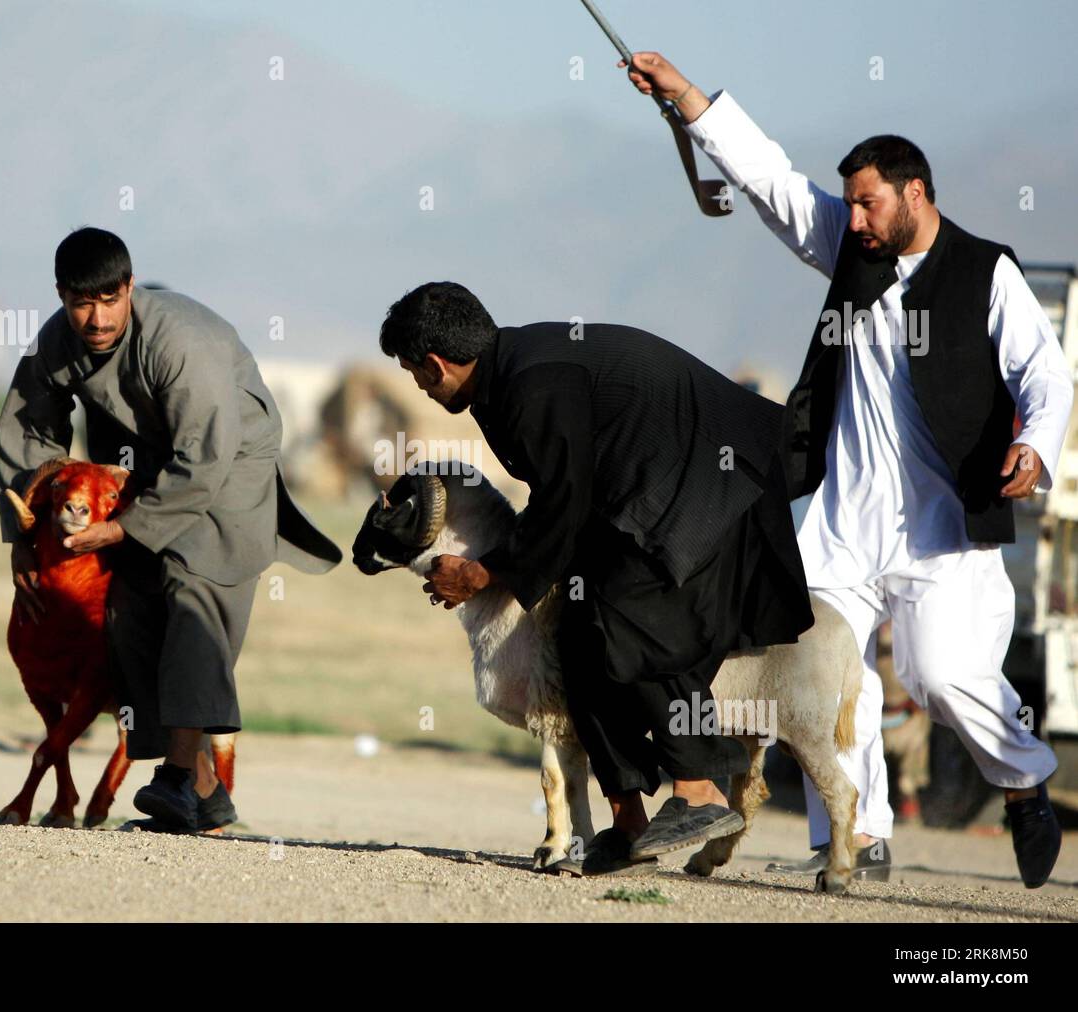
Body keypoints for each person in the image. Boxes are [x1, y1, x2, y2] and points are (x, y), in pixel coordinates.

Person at [619, 51, 1069, 887]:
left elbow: (1046, 374)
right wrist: (684, 97)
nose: (854, 218)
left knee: (942, 676)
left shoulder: (986, 272)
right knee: (821, 671)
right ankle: (855, 836)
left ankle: (1023, 779)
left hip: (944, 524)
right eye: (852, 203)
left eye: (869, 202)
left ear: (916, 195)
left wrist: (1036, 442)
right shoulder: (851, 249)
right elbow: (773, 185)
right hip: (843, 519)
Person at [379, 281, 815, 874]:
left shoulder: (531, 384)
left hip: (721, 477)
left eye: (417, 375)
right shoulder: (505, 381)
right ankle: (629, 821)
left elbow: (564, 500)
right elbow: (566, 497)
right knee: (577, 632)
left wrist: (485, 572)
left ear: (436, 362)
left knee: (620, 612)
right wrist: (504, 567)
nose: (421, 389)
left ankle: (699, 789)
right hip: (655, 492)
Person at [0, 227, 340, 831]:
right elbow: (29, 435)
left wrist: (126, 530)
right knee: (128, 608)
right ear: (61, 295)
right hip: (149, 467)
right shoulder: (56, 341)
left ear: (130, 288)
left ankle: (177, 780)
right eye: (81, 302)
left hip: (229, 465)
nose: (96, 317)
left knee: (193, 591)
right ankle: (207, 793)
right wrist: (26, 536)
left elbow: (204, 457)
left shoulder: (182, 342)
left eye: (109, 299)